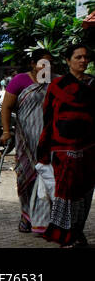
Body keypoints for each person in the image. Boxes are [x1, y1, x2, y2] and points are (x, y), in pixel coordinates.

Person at [37, 43, 95, 247]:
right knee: (66, 193)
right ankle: (66, 235)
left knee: (85, 193)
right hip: (62, 150)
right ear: (68, 61)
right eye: (78, 57)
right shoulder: (57, 86)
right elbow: (48, 118)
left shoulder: (92, 86)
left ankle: (78, 231)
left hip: (88, 149)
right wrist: (44, 148)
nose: (83, 61)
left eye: (85, 57)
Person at [0, 49, 53, 234]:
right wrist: (6, 131)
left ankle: (44, 219)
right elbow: (6, 107)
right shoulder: (20, 81)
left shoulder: (54, 82)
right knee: (26, 178)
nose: (46, 66)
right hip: (25, 138)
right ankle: (26, 215)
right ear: (33, 64)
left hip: (49, 140)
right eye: (42, 62)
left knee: (48, 180)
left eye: (49, 63)